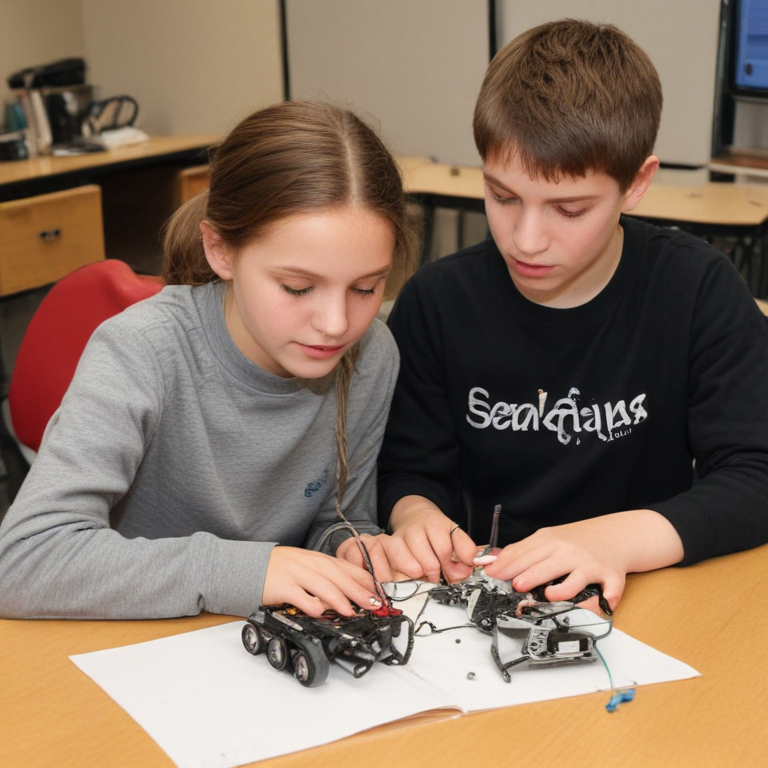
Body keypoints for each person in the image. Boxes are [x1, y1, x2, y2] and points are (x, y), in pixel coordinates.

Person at [377, 19, 768, 612]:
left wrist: (616, 538)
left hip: (649, 593)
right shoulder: (436, 303)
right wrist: (416, 515)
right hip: (484, 606)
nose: (526, 240)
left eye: (569, 208)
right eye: (503, 197)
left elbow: (756, 475)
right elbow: (406, 469)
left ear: (636, 184)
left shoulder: (696, 288)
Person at [0, 101, 417, 620]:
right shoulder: (143, 350)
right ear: (220, 250)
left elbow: (337, 518)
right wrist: (244, 570)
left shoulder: (371, 354)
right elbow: (23, 560)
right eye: (297, 286)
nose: (336, 323)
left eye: (366, 287)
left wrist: (352, 545)